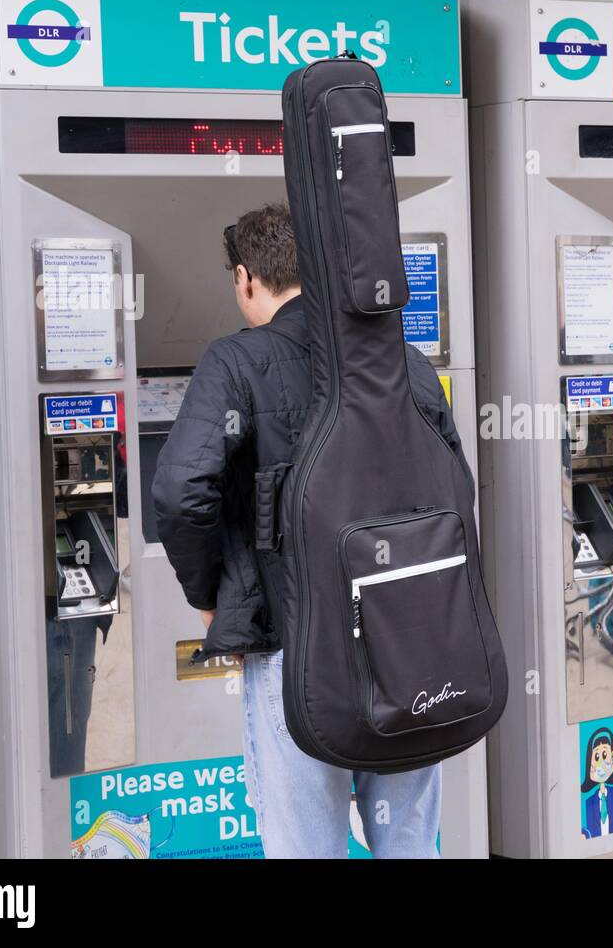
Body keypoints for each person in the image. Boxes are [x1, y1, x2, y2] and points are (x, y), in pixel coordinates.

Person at [152, 203, 462, 858]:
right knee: (409, 844)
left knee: (304, 848)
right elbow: (453, 496)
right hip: (406, 646)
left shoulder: (234, 362)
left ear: (245, 280)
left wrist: (211, 600)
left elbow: (181, 492)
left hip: (296, 650)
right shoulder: (404, 360)